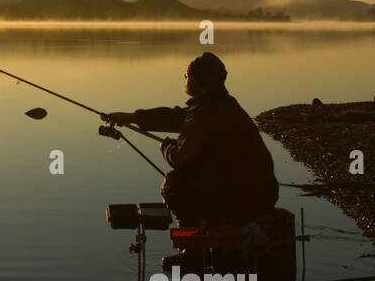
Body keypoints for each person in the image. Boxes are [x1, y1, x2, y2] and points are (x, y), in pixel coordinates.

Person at [103, 52, 278, 227]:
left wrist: (167, 147)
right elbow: (175, 117)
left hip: (242, 196)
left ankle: (196, 243)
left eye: (186, 74)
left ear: (196, 81)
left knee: (174, 184)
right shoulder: (223, 104)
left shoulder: (201, 114)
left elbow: (180, 159)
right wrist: (131, 117)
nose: (184, 77)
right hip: (264, 192)